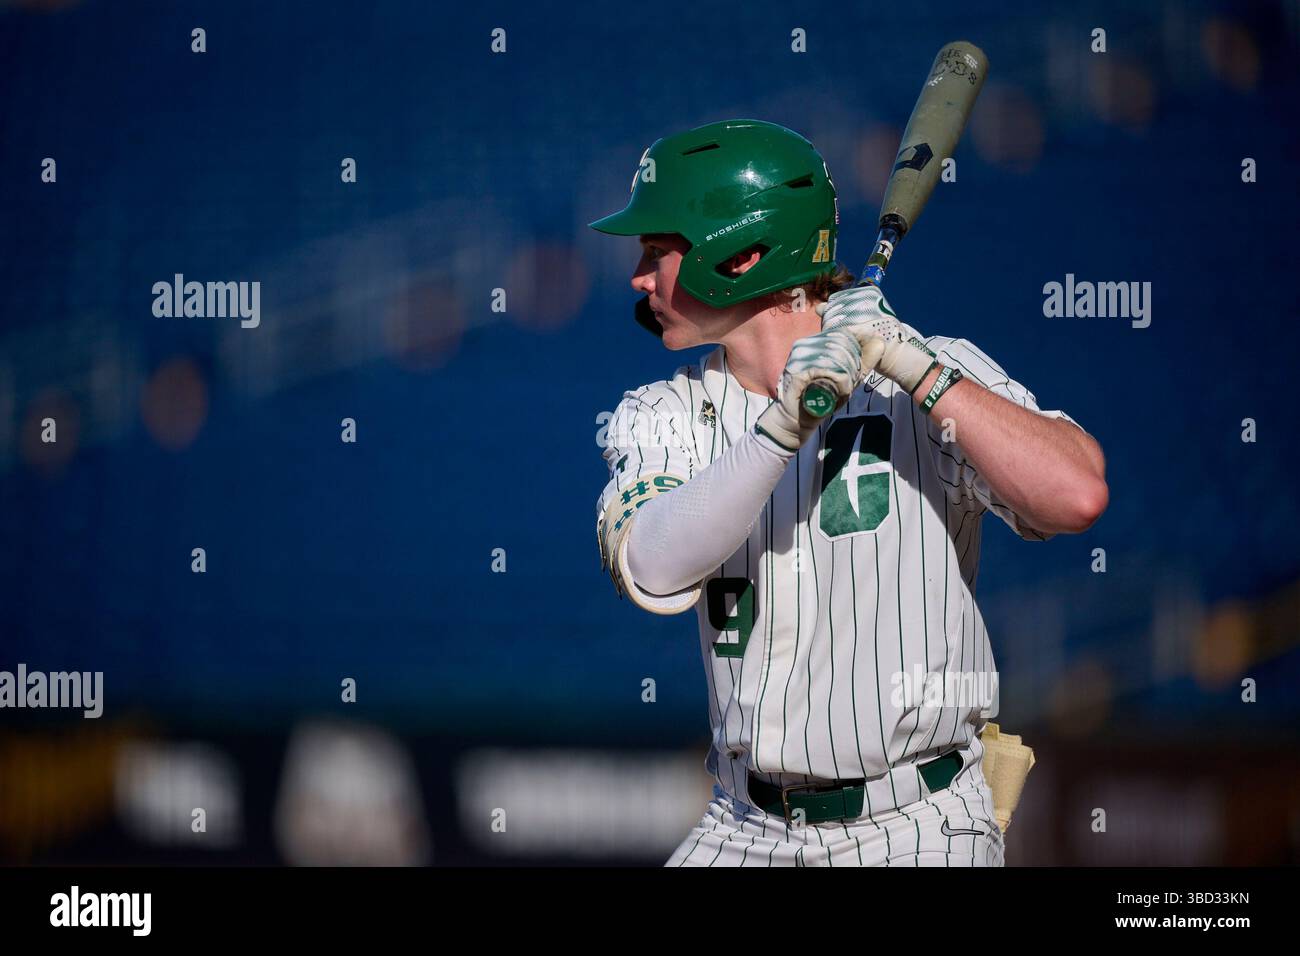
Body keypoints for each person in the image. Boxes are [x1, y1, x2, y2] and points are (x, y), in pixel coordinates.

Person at [591, 119, 1107, 866]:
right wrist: (782, 426)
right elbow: (655, 568)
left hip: (919, 825)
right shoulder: (661, 413)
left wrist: (914, 364)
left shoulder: (926, 375)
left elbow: (1078, 494)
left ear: (739, 254)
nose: (639, 277)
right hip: (745, 823)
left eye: (656, 250)